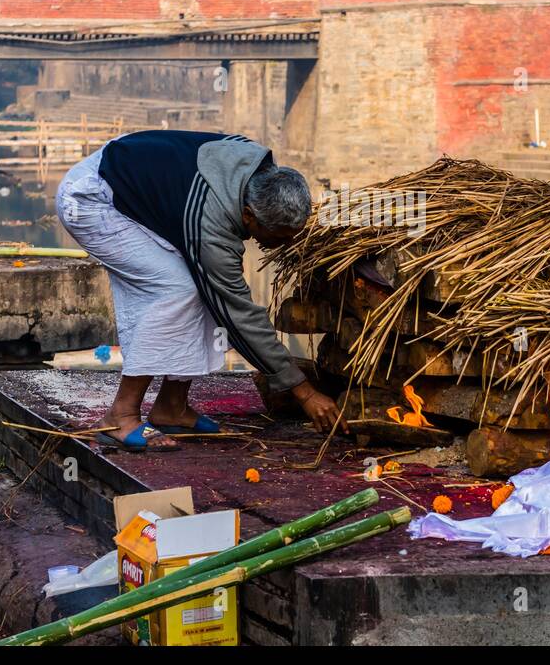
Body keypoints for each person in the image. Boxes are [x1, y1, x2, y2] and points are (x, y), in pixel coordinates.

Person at [55, 131, 341, 451]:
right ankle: (120, 416)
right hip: (91, 199)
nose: (286, 244)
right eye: (280, 236)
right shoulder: (209, 225)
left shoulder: (256, 167)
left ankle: (172, 408)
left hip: (133, 181)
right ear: (249, 215)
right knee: (175, 291)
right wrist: (304, 392)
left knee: (204, 285)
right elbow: (239, 315)